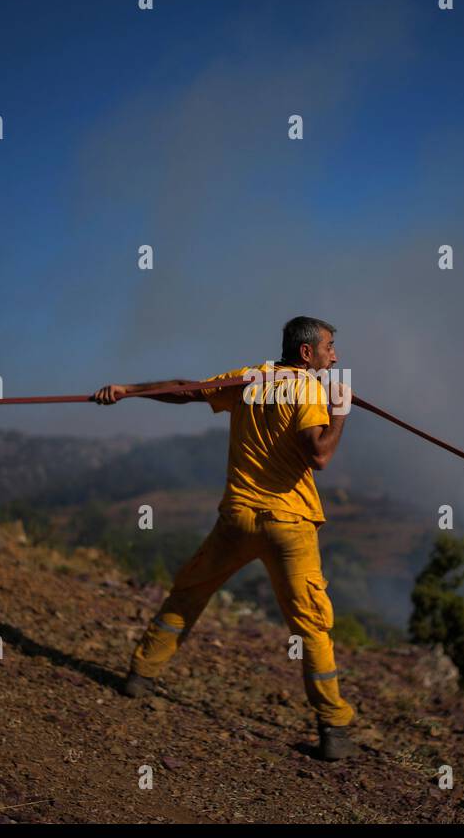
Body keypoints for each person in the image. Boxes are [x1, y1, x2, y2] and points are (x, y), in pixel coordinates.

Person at [91, 316, 358, 760]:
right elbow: (320, 455)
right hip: (289, 525)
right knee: (311, 626)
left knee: (189, 592)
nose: (337, 355)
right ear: (307, 352)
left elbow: (184, 389)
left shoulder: (250, 379)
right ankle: (334, 728)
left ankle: (140, 676)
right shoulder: (309, 388)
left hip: (237, 519)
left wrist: (127, 390)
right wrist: (341, 412)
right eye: (330, 347)